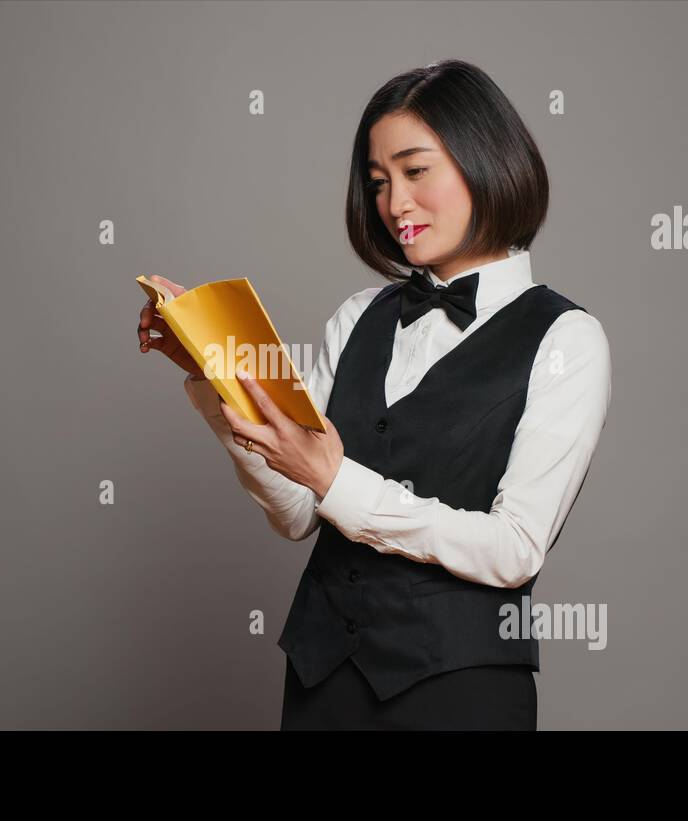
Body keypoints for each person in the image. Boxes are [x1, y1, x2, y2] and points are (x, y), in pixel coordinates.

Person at [137, 59, 611, 730]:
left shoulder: (568, 338)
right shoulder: (359, 314)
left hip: (460, 695)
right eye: (379, 182)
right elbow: (298, 511)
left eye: (416, 172)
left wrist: (339, 479)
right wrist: (214, 374)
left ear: (486, 158)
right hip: (321, 678)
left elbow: (515, 549)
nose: (394, 205)